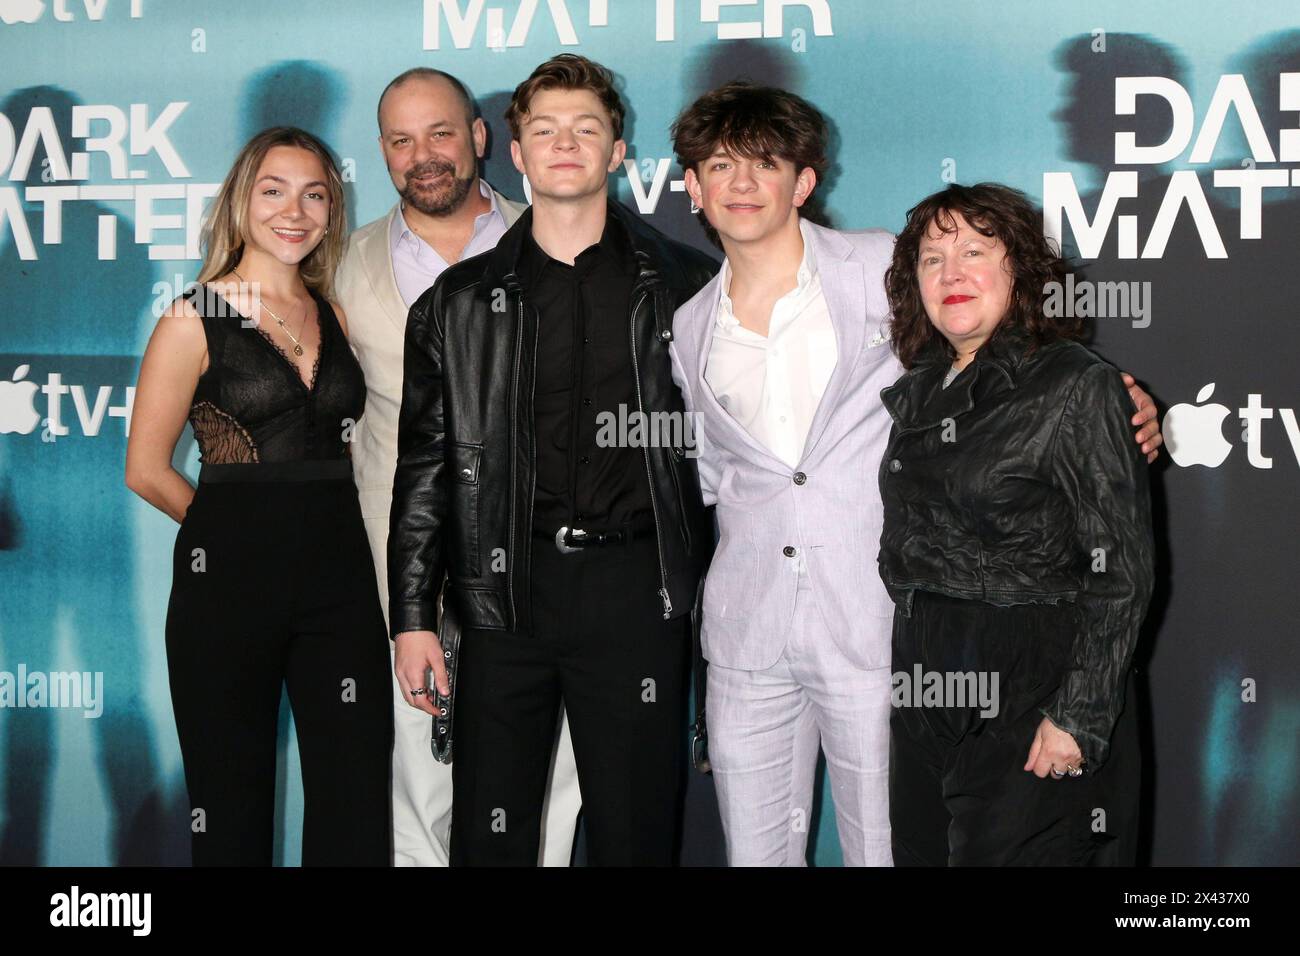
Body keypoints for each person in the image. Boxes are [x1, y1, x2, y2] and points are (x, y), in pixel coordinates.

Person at [669, 83, 1162, 866]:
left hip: (876, 627)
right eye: (720, 166)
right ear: (692, 189)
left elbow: (1018, 367)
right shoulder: (689, 322)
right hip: (749, 631)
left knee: (891, 850)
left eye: (764, 162)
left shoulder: (877, 264)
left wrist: (1126, 401)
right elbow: (713, 472)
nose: (742, 183)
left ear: (804, 182)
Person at [388, 54, 717, 866]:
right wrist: (413, 617)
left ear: (617, 152)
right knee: (488, 836)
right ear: (516, 153)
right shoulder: (456, 303)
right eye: (545, 131)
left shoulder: (689, 287)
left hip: (637, 591)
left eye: (585, 129)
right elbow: (425, 469)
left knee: (635, 836)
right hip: (505, 593)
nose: (565, 145)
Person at [334, 67, 581, 867]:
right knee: (418, 757)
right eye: (401, 141)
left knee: (551, 765)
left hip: (538, 544)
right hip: (401, 550)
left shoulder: (555, 238)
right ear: (382, 152)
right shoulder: (342, 263)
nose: (424, 156)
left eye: (441, 132)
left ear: (479, 137)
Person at [125, 127, 392, 865]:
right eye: (274, 191)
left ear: (332, 211)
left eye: (314, 195)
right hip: (227, 593)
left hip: (341, 588)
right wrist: (230, 533)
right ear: (242, 200)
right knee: (229, 809)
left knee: (354, 802)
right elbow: (145, 469)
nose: (294, 211)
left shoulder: (334, 314)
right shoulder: (191, 318)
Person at [878, 182, 1156, 866]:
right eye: (932, 258)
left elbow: (1121, 569)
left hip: (1034, 677)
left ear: (1021, 271)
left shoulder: (1075, 383)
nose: (951, 272)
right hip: (925, 677)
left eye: (975, 251)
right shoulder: (919, 386)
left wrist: (1080, 714)